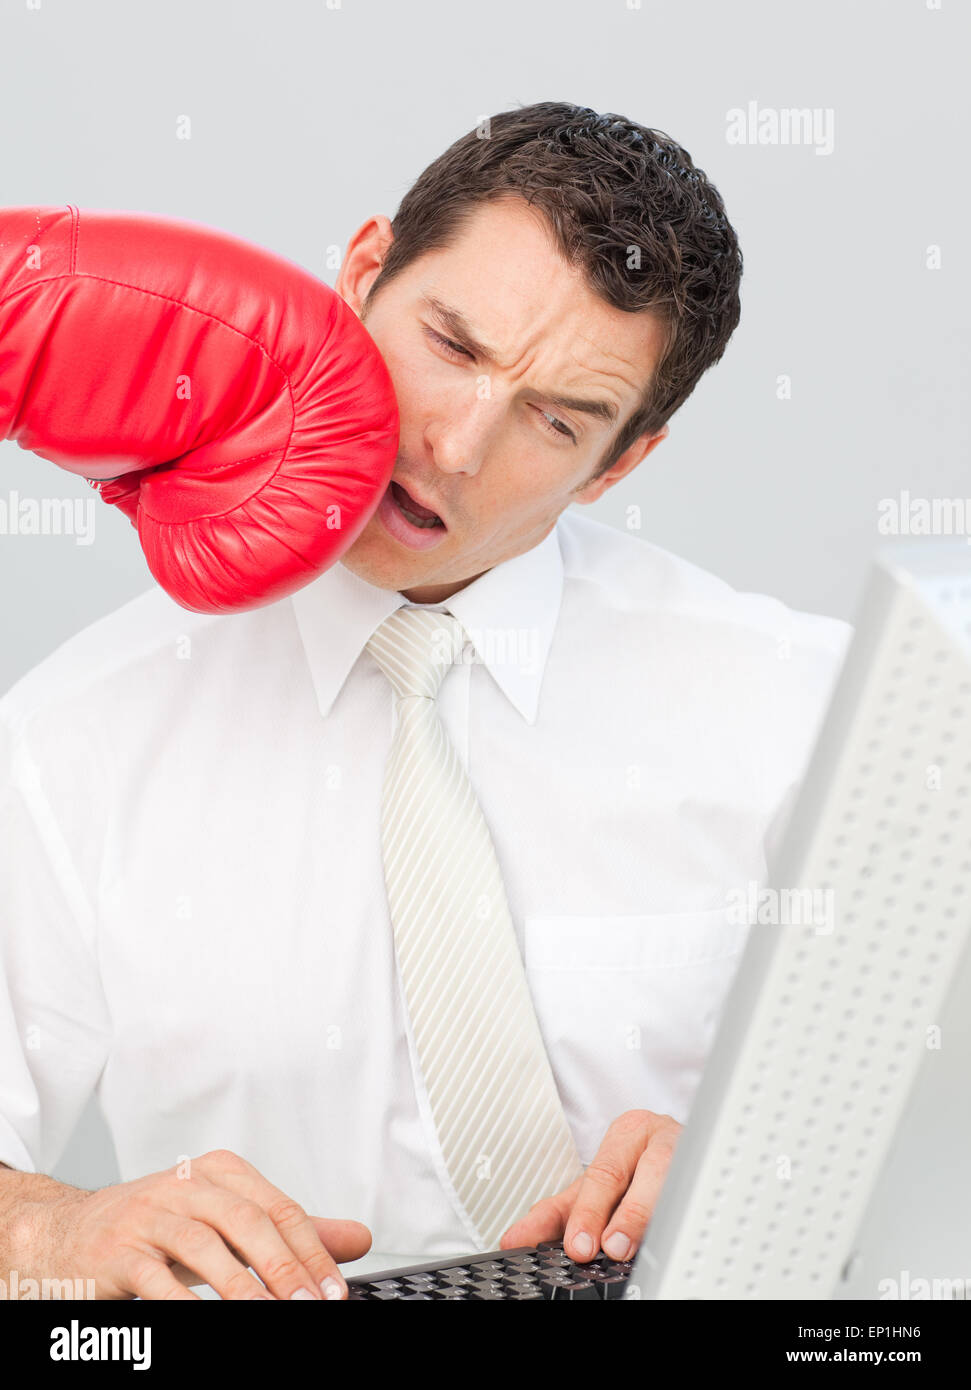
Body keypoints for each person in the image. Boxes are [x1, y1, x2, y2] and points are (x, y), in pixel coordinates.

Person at [0, 101, 850, 1300]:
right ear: (360, 277)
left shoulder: (798, 707)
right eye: (450, 345)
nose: (455, 446)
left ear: (619, 463)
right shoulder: (73, 735)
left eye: (553, 419)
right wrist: (47, 1232)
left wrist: (777, 1161)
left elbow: (908, 1120)